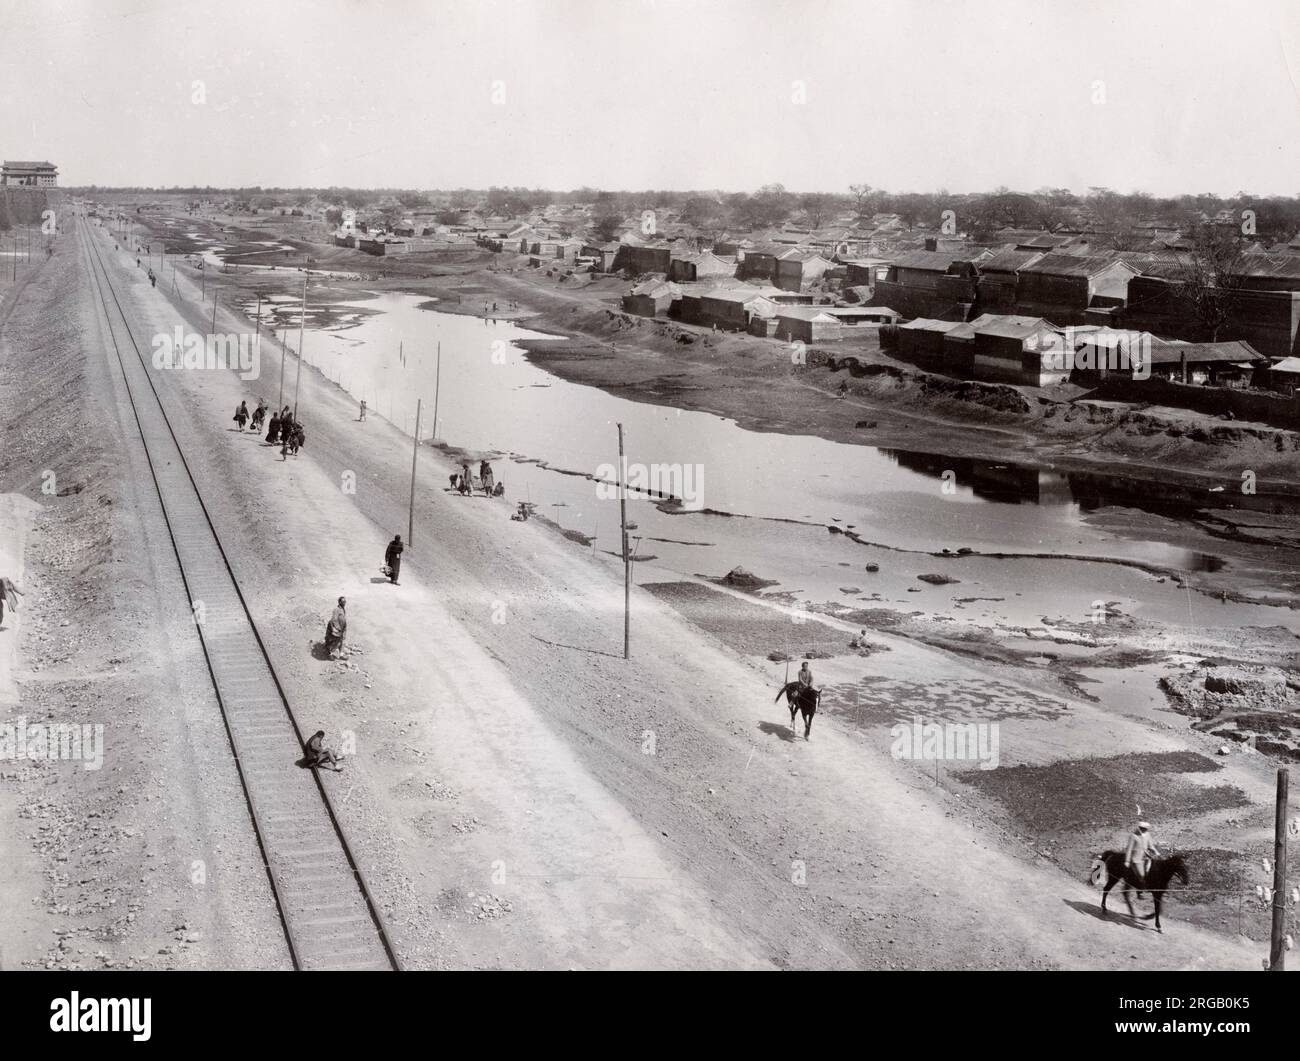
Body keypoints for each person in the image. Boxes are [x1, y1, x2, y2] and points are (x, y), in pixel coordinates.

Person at [1124, 821, 1159, 889]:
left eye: (1145, 828)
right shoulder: (1133, 836)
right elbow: (1129, 849)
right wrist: (1127, 861)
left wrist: (1155, 851)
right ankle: (1140, 889)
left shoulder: (1148, 834)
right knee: (1141, 875)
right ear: (1139, 828)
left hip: (1146, 857)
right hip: (1136, 859)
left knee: (1152, 871)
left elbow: (1150, 845)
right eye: (1142, 828)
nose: (1144, 830)